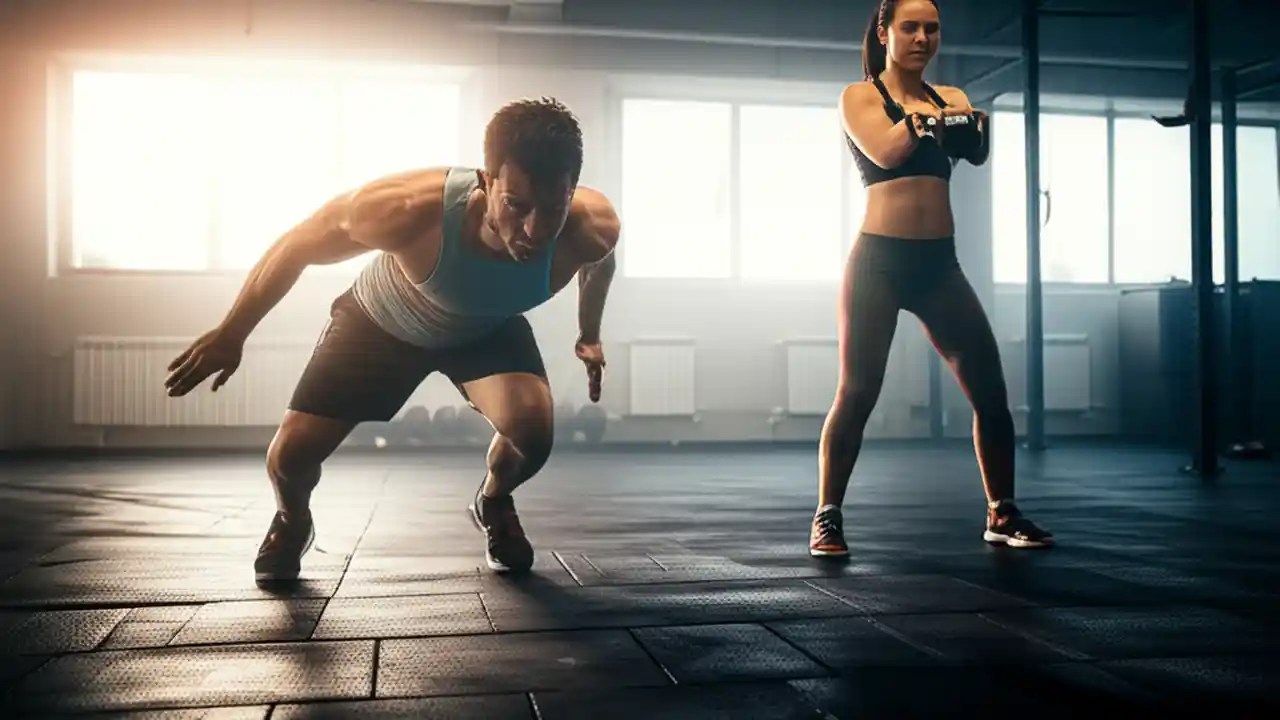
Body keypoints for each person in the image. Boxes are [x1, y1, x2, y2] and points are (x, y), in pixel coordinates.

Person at [163, 97, 620, 579]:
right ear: (486, 182)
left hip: (485, 328)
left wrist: (589, 335)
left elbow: (599, 264)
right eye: (516, 205)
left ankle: (494, 501)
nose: (535, 229)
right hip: (381, 323)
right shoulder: (405, 208)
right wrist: (233, 332)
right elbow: (298, 244)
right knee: (288, 459)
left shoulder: (593, 229)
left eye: (553, 209)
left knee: (534, 433)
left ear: (571, 193)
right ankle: (292, 520)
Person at [810, 0, 1053, 557]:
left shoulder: (952, 96)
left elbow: (977, 148)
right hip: (879, 261)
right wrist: (935, 125)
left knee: (990, 390)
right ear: (885, 32)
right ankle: (827, 515)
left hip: (939, 265)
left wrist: (949, 124)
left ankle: (1001, 511)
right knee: (857, 392)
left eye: (932, 28)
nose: (923, 37)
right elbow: (888, 150)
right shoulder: (861, 97)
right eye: (910, 27)